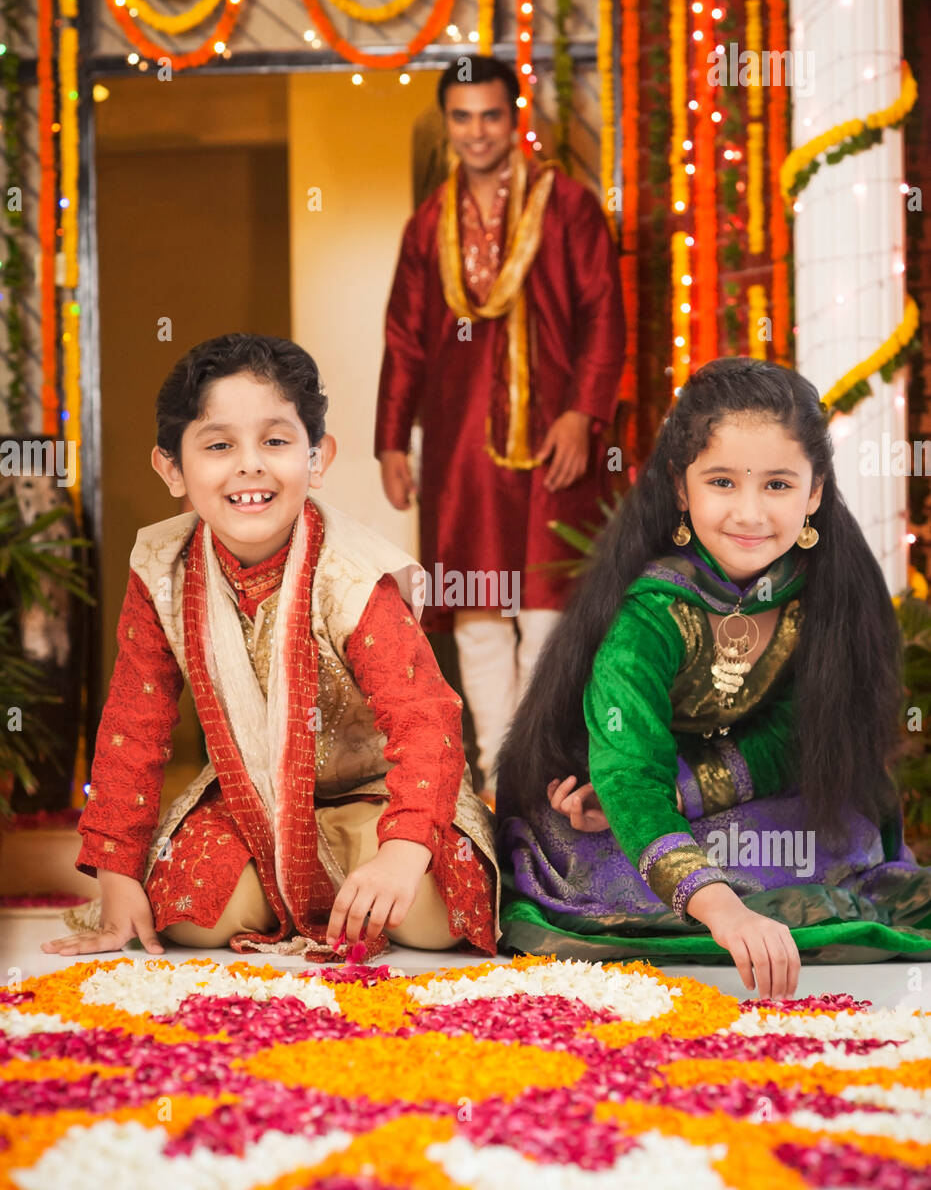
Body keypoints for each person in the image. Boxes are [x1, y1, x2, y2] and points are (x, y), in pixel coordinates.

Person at [43, 333, 500, 962]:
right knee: (191, 916)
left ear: (317, 458)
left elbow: (427, 720)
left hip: (377, 800)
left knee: (433, 916)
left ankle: (346, 870)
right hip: (250, 799)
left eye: (276, 441)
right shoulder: (163, 569)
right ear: (171, 468)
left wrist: (402, 851)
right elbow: (134, 725)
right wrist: (119, 873)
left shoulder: (350, 574)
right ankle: (298, 879)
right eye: (219, 444)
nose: (251, 465)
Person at [495, 357, 931, 998]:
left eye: (778, 486)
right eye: (722, 482)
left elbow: (805, 739)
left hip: (735, 794)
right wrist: (722, 909)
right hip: (614, 808)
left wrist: (690, 790)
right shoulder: (647, 614)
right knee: (583, 858)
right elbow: (630, 778)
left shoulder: (827, 596)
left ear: (815, 493)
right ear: (681, 487)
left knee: (847, 828)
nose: (750, 514)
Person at [376, 56, 625, 794]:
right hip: (460, 444)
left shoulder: (568, 207)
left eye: (490, 115)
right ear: (446, 124)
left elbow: (602, 317)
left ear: (515, 118)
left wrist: (584, 414)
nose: (476, 131)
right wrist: (393, 438)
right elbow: (404, 337)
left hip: (557, 436)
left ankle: (542, 770)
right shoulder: (428, 224)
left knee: (549, 606)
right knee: (478, 608)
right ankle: (495, 777)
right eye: (462, 117)